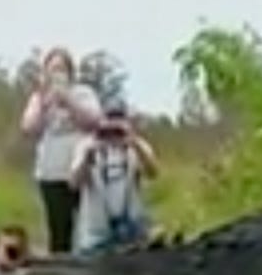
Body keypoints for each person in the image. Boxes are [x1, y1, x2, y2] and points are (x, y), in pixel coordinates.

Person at [20, 47, 103, 253]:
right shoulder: (39, 98)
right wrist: (43, 103)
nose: (56, 74)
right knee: (59, 230)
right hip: (50, 172)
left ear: (70, 72)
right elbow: (28, 128)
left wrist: (68, 100)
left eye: (61, 69)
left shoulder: (83, 93)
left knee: (87, 228)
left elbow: (95, 121)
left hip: (82, 170)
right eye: (52, 69)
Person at [69, 98, 158, 256]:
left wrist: (134, 144)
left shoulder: (137, 146)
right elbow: (73, 184)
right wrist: (87, 158)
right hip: (96, 232)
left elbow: (153, 173)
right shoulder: (86, 146)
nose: (114, 126)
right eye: (110, 119)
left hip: (131, 227)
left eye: (119, 119)